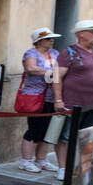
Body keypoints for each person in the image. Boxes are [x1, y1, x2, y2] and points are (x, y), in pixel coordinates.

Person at [51, 18, 93, 180]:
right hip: (72, 104)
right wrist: (58, 100)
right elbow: (57, 77)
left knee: (90, 139)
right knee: (66, 137)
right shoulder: (69, 53)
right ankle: (62, 168)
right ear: (82, 34)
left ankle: (86, 170)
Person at [18, 27, 61, 173]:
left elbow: (60, 70)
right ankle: (26, 160)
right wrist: (51, 72)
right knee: (35, 128)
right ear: (40, 41)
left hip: (51, 96)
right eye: (49, 39)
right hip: (35, 96)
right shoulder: (31, 53)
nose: (52, 41)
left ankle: (41, 159)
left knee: (48, 130)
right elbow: (31, 68)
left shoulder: (55, 53)